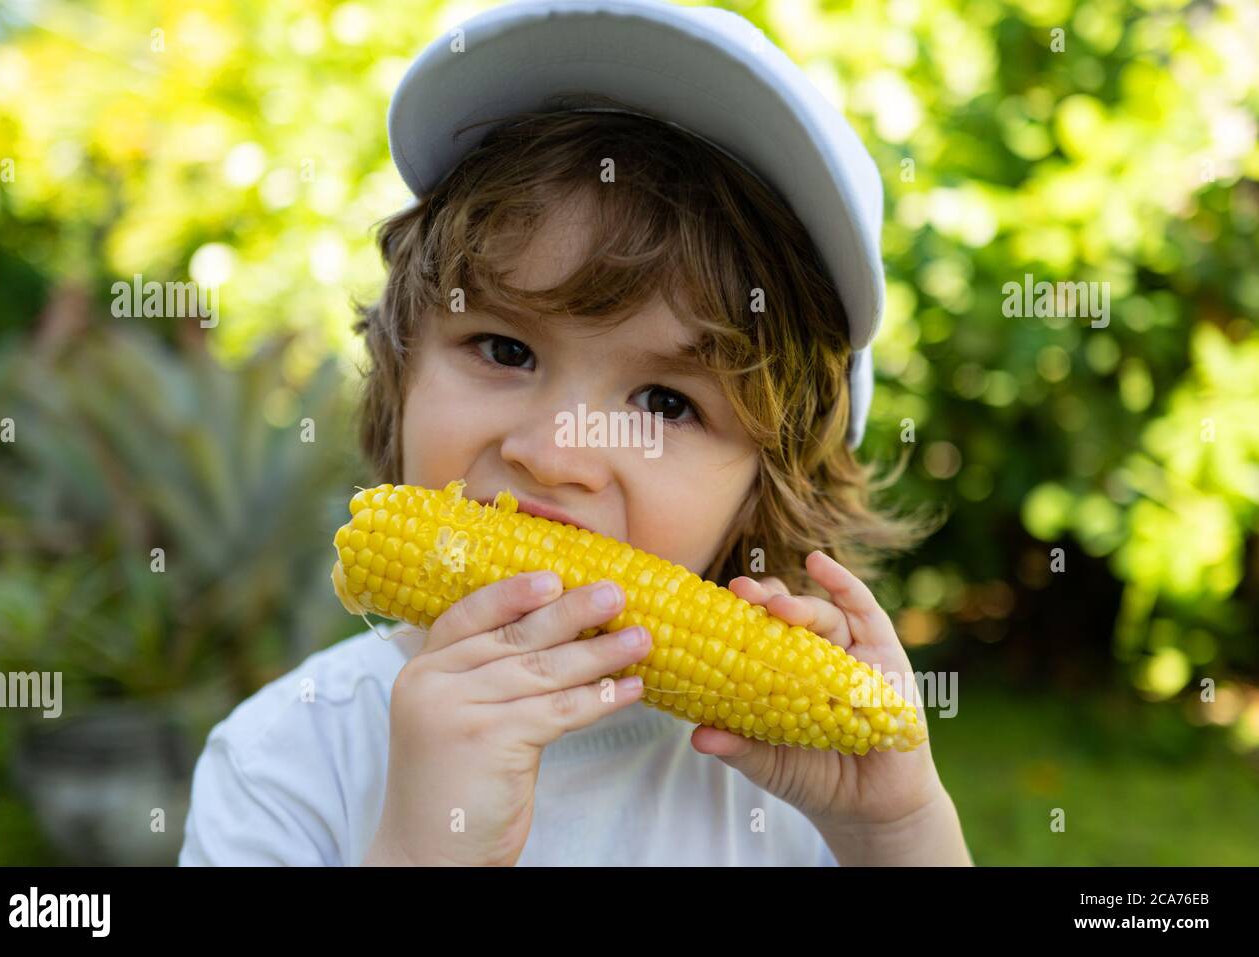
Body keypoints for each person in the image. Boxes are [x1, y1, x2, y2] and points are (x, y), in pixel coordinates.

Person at [180, 0, 972, 866]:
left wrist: (894, 833)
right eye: (505, 348)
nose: (556, 452)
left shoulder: (801, 794)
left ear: (763, 492)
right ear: (400, 370)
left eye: (666, 404)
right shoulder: (284, 762)